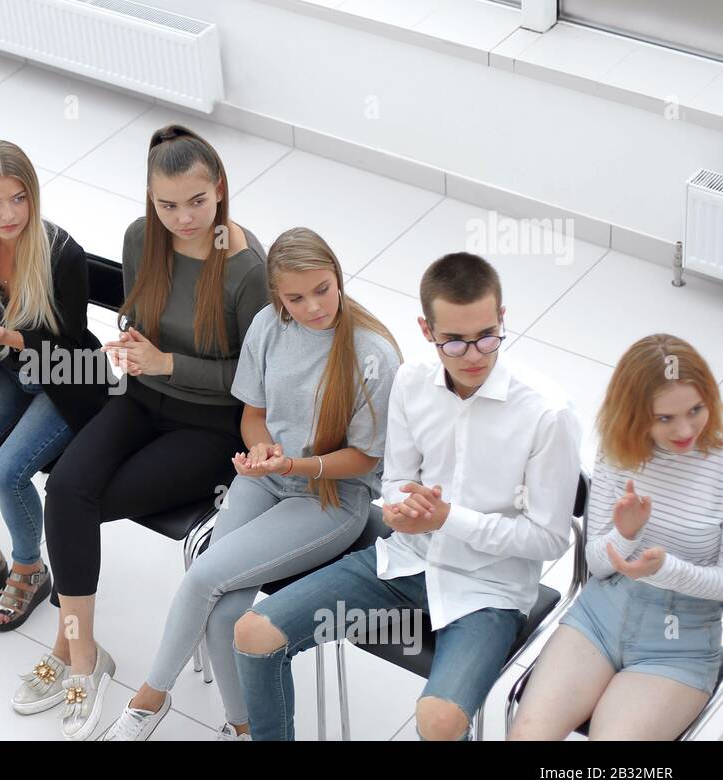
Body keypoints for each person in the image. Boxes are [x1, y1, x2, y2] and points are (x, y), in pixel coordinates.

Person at [232, 251, 582, 741]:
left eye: (486, 335)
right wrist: (402, 509)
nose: (475, 354)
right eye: (454, 342)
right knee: (253, 634)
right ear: (426, 329)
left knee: (438, 722)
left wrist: (446, 519)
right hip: (402, 565)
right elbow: (396, 479)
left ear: (502, 318)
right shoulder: (412, 383)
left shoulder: (548, 414)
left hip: (487, 593)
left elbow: (548, 540)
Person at [14, 124, 269, 741]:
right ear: (150, 199)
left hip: (211, 425)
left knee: (85, 502)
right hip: (141, 397)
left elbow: (258, 375)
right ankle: (81, 655)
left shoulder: (247, 269)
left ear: (221, 192)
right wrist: (132, 341)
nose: (182, 217)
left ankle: (72, 649)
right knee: (67, 489)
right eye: (166, 204)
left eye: (196, 202)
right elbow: (138, 311)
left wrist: (169, 363)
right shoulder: (139, 239)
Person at [103, 227, 401, 740]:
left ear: (338, 276)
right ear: (277, 297)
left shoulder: (374, 355)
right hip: (269, 477)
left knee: (202, 576)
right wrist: (263, 451)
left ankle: (149, 699)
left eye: (323, 289)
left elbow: (365, 458)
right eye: (296, 297)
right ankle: (244, 728)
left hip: (330, 496)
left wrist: (292, 467)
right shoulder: (268, 325)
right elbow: (253, 415)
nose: (313, 306)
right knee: (225, 618)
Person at [509, 334, 723, 740]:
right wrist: (625, 535)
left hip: (680, 642)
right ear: (635, 415)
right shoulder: (618, 450)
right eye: (664, 418)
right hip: (600, 615)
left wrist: (666, 569)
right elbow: (598, 565)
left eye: (696, 409)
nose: (685, 429)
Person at [0, 140, 109, 632]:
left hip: (64, 375)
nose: (7, 213)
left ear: (33, 196)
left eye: (18, 198)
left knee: (9, 471)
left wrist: (11, 335)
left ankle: (30, 569)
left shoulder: (61, 252)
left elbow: (72, 343)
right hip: (8, 371)